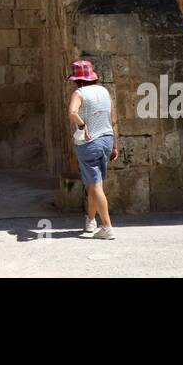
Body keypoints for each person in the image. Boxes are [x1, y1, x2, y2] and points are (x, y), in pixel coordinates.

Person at [67, 59, 118, 240]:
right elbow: (113, 119)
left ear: (76, 79)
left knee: (95, 185)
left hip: (90, 144)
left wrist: (82, 126)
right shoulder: (104, 91)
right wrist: (114, 145)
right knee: (94, 185)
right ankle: (90, 221)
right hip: (106, 139)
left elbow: (72, 113)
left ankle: (107, 226)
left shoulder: (79, 93)